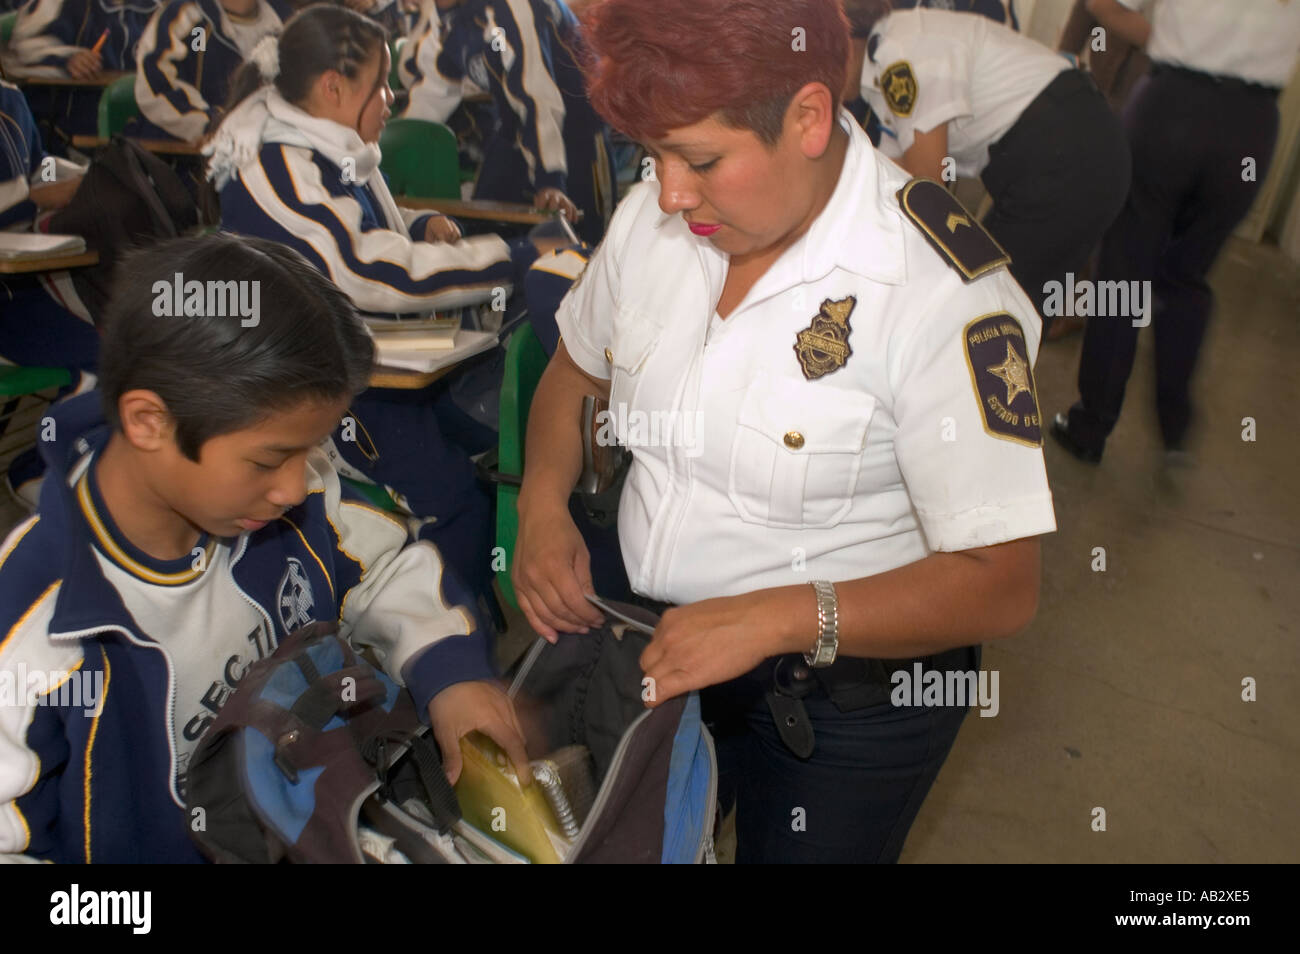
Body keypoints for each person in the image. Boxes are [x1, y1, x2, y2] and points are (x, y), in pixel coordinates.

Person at [512, 0, 1056, 863]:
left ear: (807, 116)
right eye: (651, 156)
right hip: (663, 646)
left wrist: (778, 618)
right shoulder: (657, 224)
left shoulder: (942, 294)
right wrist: (541, 505)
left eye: (697, 160)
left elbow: (1001, 581)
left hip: (847, 709)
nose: (668, 191)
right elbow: (578, 367)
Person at [0, 234, 531, 863]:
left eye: (309, 451)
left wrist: (453, 675)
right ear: (148, 421)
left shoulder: (268, 505)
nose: (296, 484)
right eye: (270, 458)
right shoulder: (37, 634)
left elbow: (387, 567)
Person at [207, 3, 559, 617]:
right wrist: (515, 255)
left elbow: (361, 235)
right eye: (382, 85)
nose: (394, 97)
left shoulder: (325, 145)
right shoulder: (276, 164)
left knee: (483, 430)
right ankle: (450, 642)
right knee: (457, 500)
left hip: (371, 366)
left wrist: (422, 227)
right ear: (333, 87)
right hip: (317, 388)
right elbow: (363, 271)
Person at [1051, 0, 1300, 465]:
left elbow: (1109, 7)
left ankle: (1091, 427)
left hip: (1171, 107)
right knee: (1187, 277)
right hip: (1252, 125)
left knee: (1123, 275)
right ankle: (1175, 430)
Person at [844, 0, 1130, 336]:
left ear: (841, 42)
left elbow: (926, 185)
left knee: (993, 317)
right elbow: (895, 180)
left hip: (1069, 153)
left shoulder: (899, 53)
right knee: (987, 306)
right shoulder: (884, 64)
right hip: (1060, 152)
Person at [398, 0, 616, 245]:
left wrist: (550, 180)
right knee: (485, 239)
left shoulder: (515, 7)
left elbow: (537, 97)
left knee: (576, 250)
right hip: (513, 134)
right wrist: (386, 157)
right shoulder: (450, 17)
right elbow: (434, 92)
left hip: (573, 140)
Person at [5, 0, 159, 147]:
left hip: (133, 133)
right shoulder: (62, 4)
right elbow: (22, 52)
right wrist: (67, 59)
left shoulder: (154, 10)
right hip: (65, 133)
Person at [131, 0, 289, 143]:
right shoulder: (192, 22)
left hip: (268, 140)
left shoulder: (283, 18)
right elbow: (157, 86)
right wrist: (210, 124)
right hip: (186, 156)